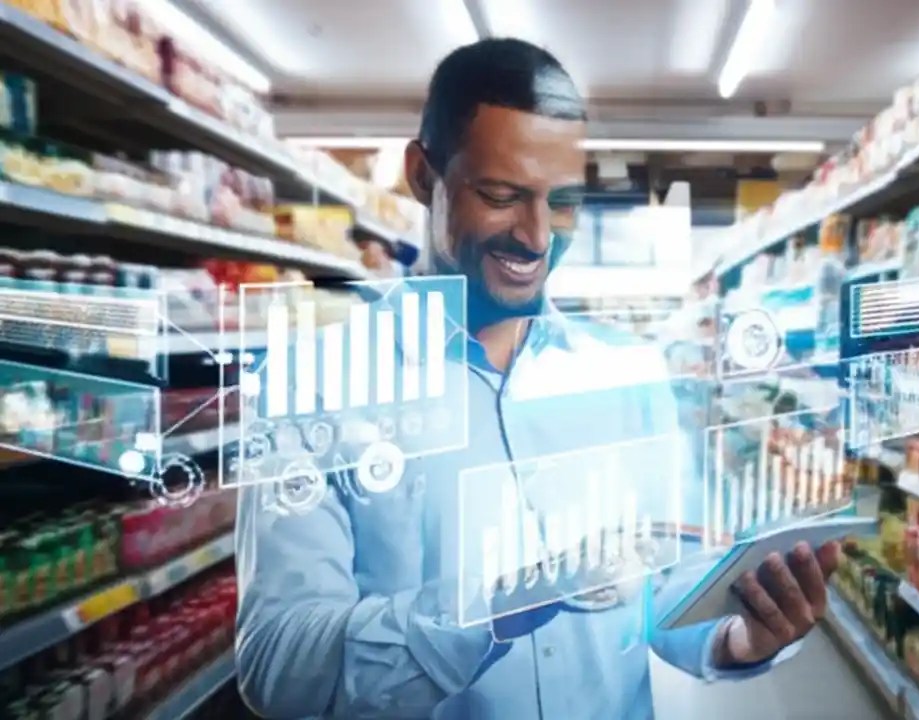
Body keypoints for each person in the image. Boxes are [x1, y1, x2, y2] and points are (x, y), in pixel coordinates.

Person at [234, 38, 840, 720]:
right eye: (501, 195)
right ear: (424, 176)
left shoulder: (626, 372)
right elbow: (276, 665)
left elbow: (668, 585)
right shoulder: (312, 386)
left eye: (565, 203)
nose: (537, 236)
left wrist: (740, 634)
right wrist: (487, 609)